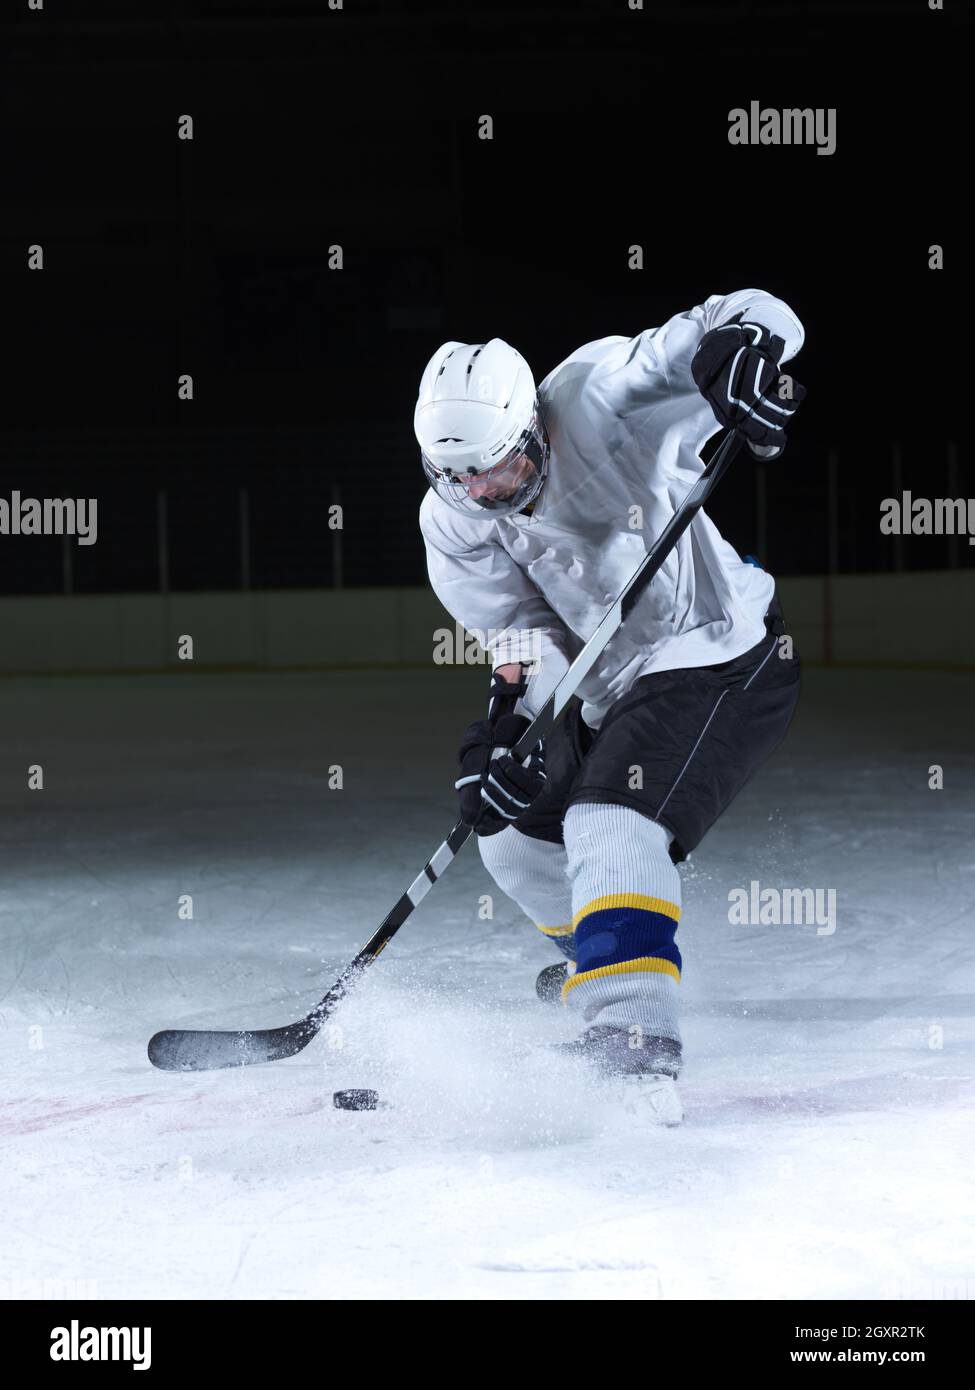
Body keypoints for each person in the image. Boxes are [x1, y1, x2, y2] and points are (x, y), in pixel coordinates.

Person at [414, 291, 806, 1124]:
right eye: (459, 475)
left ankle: (632, 1049)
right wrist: (508, 735)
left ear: (535, 429)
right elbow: (522, 638)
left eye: (501, 465)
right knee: (514, 847)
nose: (483, 490)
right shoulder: (453, 519)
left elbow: (745, 313)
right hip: (610, 683)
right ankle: (605, 961)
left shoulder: (600, 394)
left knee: (607, 823)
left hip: (718, 650)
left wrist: (742, 349)